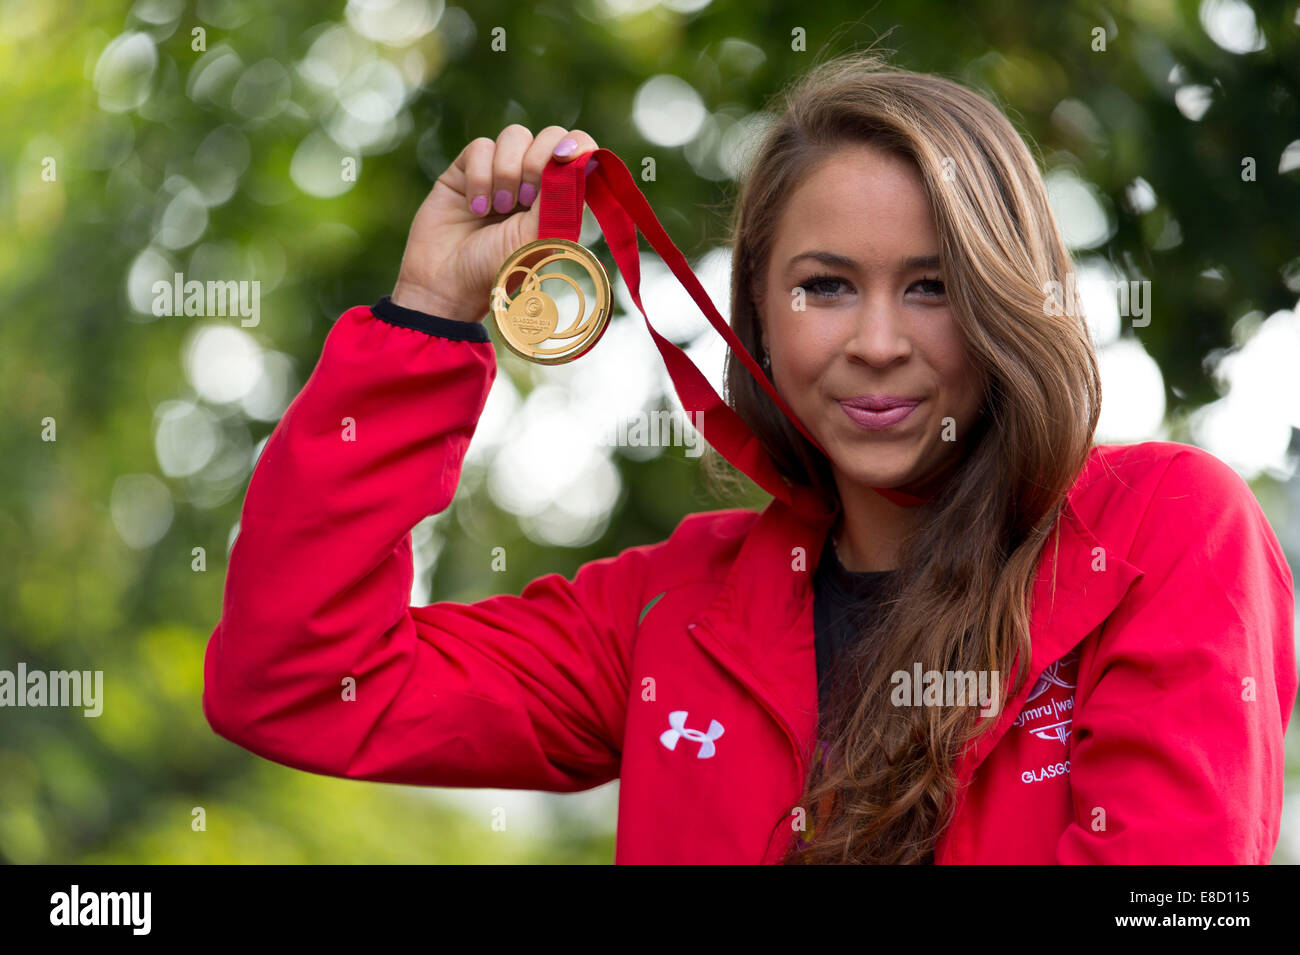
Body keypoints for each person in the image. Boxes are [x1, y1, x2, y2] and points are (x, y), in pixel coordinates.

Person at [201, 51, 1297, 864]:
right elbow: (302, 682)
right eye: (825, 286)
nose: (876, 342)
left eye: (932, 287)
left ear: (1009, 303)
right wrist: (433, 312)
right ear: (759, 322)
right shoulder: (671, 607)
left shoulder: (1163, 527)